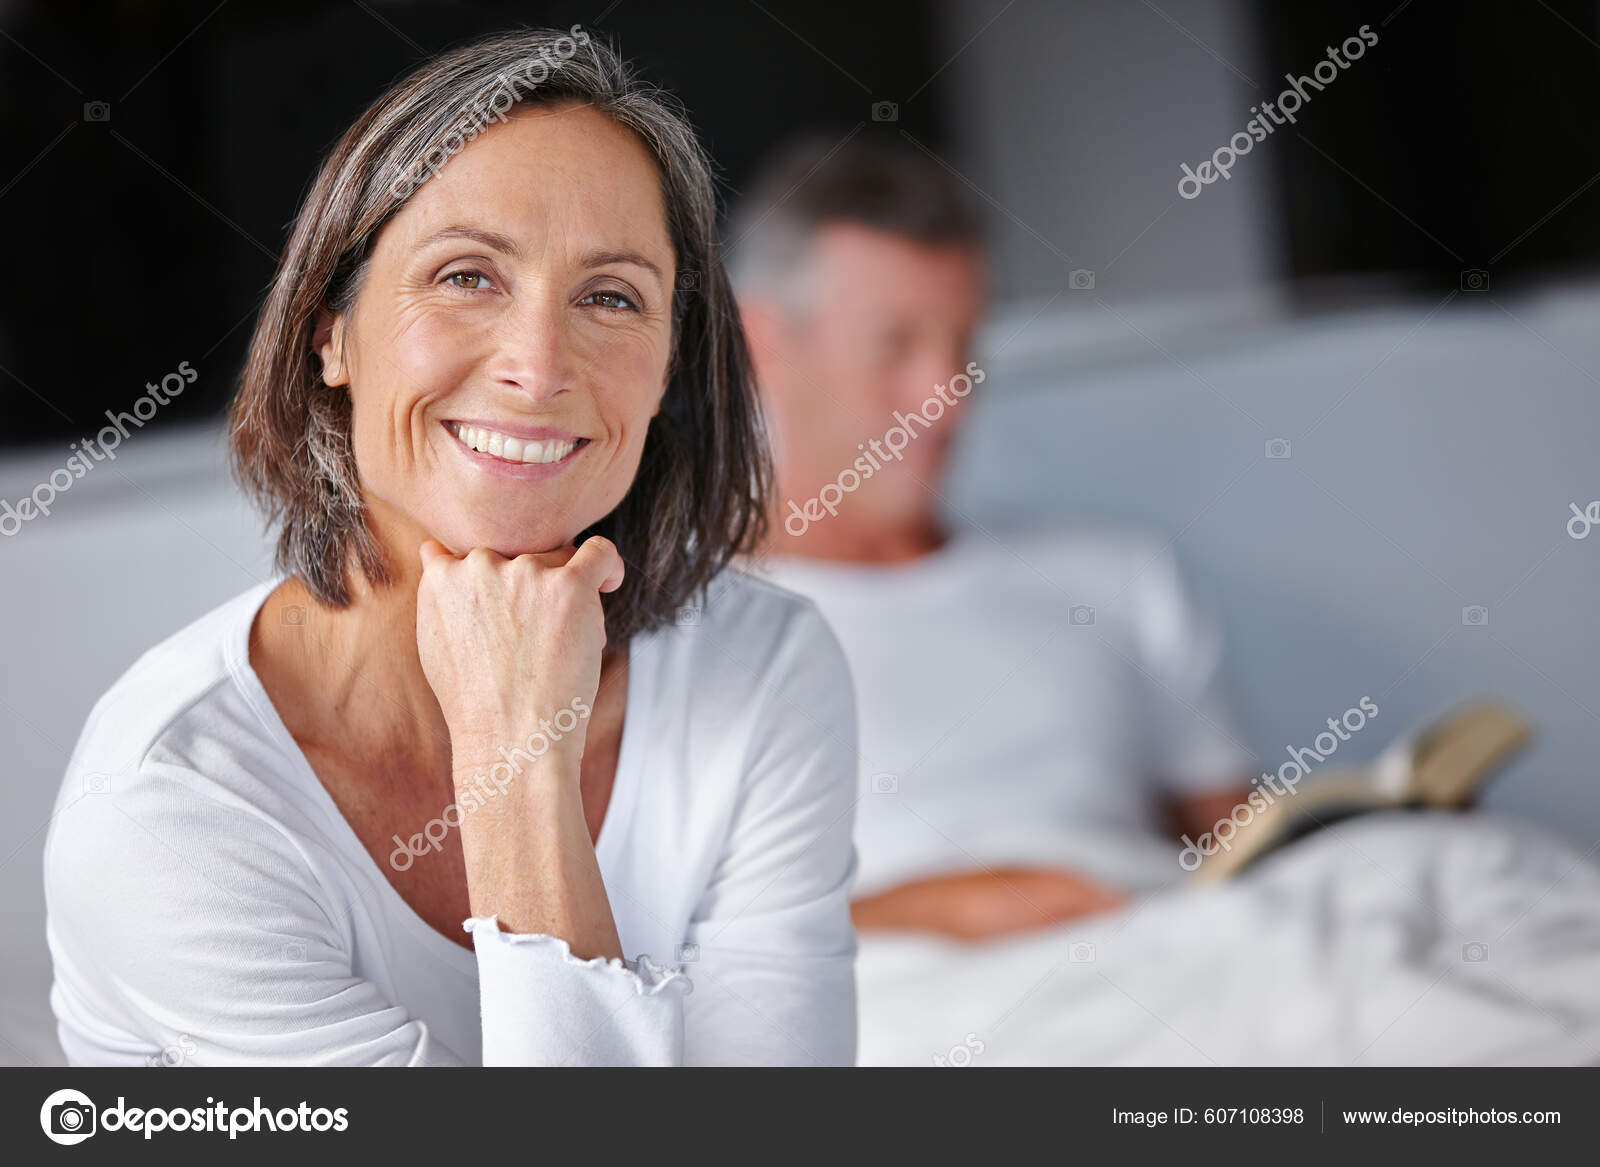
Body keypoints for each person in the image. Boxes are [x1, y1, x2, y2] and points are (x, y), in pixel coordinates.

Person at [44, 30, 858, 1066]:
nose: (537, 366)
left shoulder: (767, 668)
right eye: (467, 276)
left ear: (665, 375)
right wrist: (518, 756)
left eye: (610, 297)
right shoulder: (169, 812)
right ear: (327, 335)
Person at [730, 137, 1254, 942]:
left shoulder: (1117, 577)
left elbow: (1248, 855)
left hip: (1182, 956)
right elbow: (645, 950)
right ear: (764, 342)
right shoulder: (681, 624)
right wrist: (916, 912)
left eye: (964, 346)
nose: (947, 400)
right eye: (894, 345)